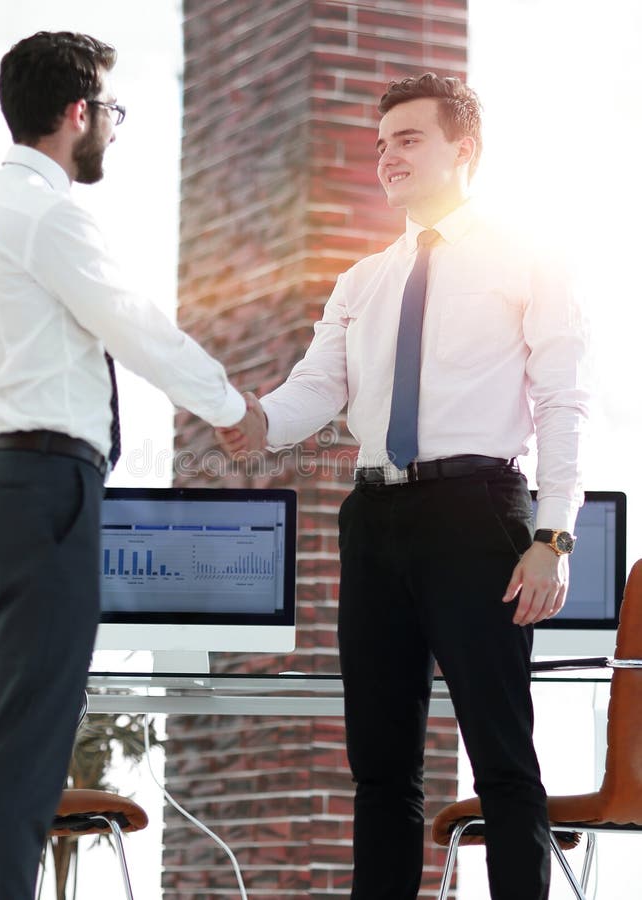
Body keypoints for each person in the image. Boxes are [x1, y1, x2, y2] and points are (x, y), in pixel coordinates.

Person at [216, 73, 589, 899]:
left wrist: (552, 536)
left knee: (501, 756)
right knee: (380, 766)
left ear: (465, 150)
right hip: (375, 519)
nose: (388, 159)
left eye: (409, 140)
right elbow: (315, 389)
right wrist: (254, 420)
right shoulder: (361, 281)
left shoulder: (528, 255)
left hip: (477, 515)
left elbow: (564, 402)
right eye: (381, 145)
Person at [0, 30, 251, 900]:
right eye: (107, 108)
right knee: (29, 741)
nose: (109, 125)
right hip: (43, 486)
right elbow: (135, 325)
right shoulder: (52, 216)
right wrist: (232, 409)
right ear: (77, 113)